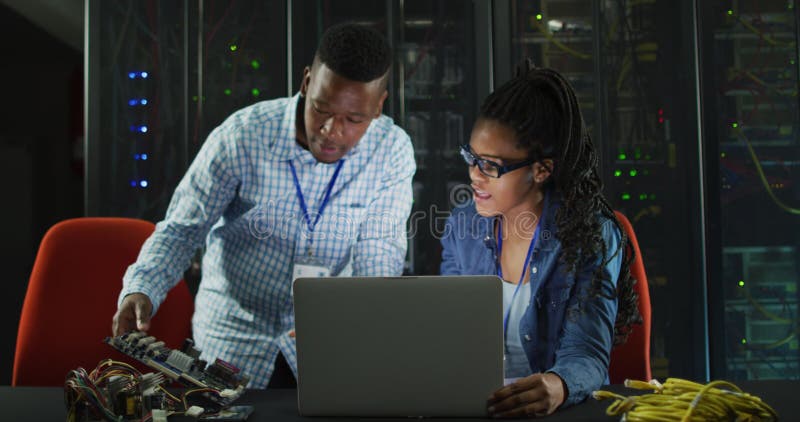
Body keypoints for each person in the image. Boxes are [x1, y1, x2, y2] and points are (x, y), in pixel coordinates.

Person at [112, 23, 416, 388]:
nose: (333, 131)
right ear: (306, 83)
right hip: (233, 338)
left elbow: (379, 250)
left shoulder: (391, 149)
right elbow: (182, 228)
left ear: (379, 106)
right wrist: (141, 287)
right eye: (321, 109)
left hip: (327, 342)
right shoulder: (242, 135)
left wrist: (371, 327)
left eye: (354, 119)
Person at [440, 60, 640, 417]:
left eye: (491, 165)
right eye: (471, 158)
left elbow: (587, 355)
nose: (474, 176)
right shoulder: (462, 226)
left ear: (541, 169)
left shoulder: (591, 237)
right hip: (475, 409)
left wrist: (558, 385)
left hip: (550, 413)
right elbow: (450, 335)